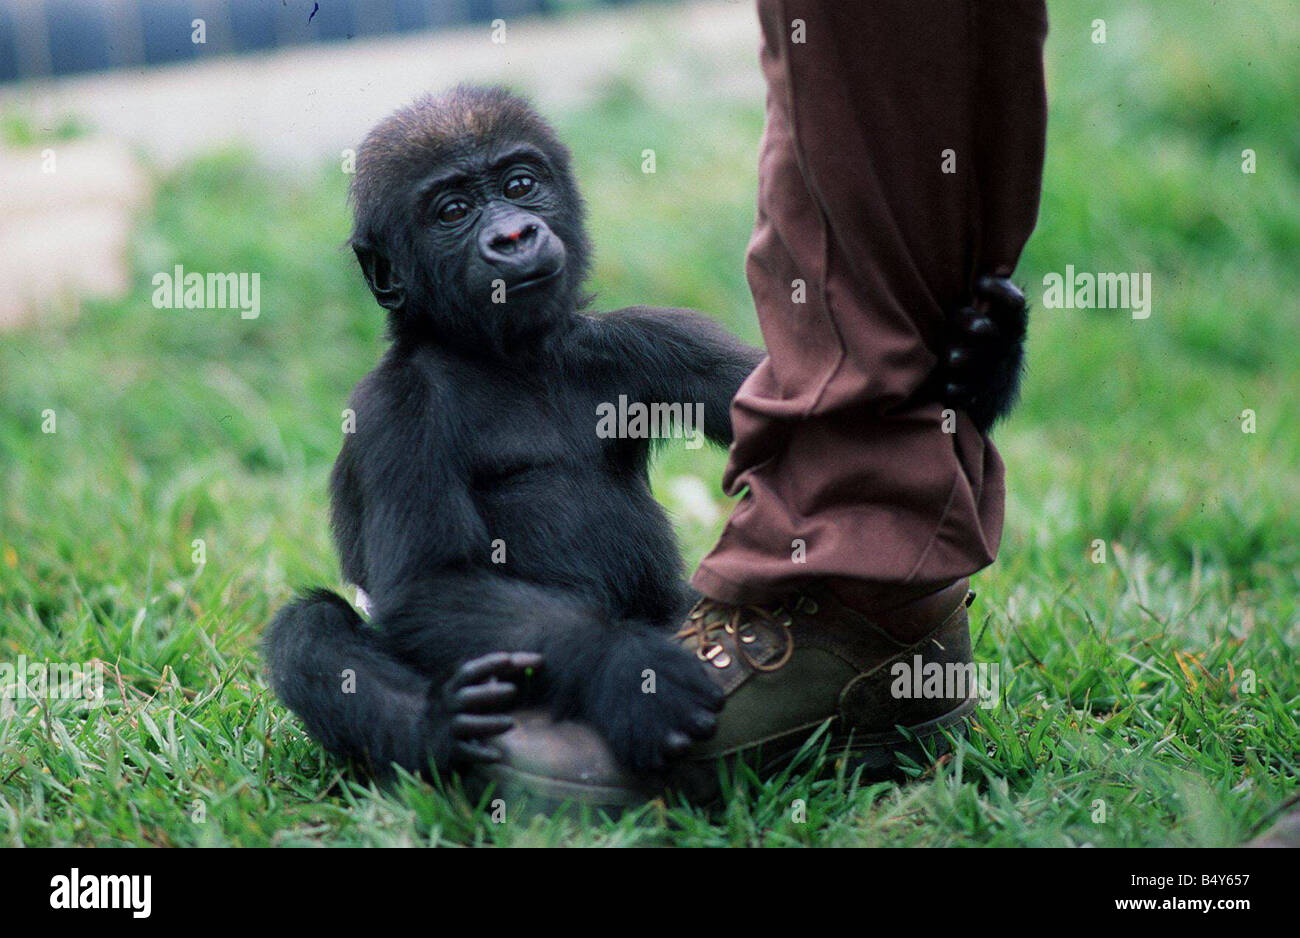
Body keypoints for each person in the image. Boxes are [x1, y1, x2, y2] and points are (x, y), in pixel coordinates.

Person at [474, 0, 1049, 806]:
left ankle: (863, 593)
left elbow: (821, 411)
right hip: (548, 666)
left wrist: (972, 380)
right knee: (310, 636)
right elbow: (421, 597)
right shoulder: (405, 418)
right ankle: (868, 596)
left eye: (522, 188)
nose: (509, 235)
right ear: (385, 272)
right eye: (455, 209)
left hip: (644, 639)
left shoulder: (632, 352)